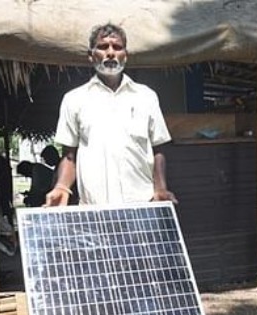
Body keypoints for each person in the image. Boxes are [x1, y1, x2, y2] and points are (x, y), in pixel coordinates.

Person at [45, 23, 177, 207]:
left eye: (117, 47)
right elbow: (69, 156)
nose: (110, 53)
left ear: (125, 55)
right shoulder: (74, 99)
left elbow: (158, 149)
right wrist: (61, 187)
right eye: (102, 47)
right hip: (95, 208)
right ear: (91, 55)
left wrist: (160, 188)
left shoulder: (146, 97)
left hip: (141, 206)